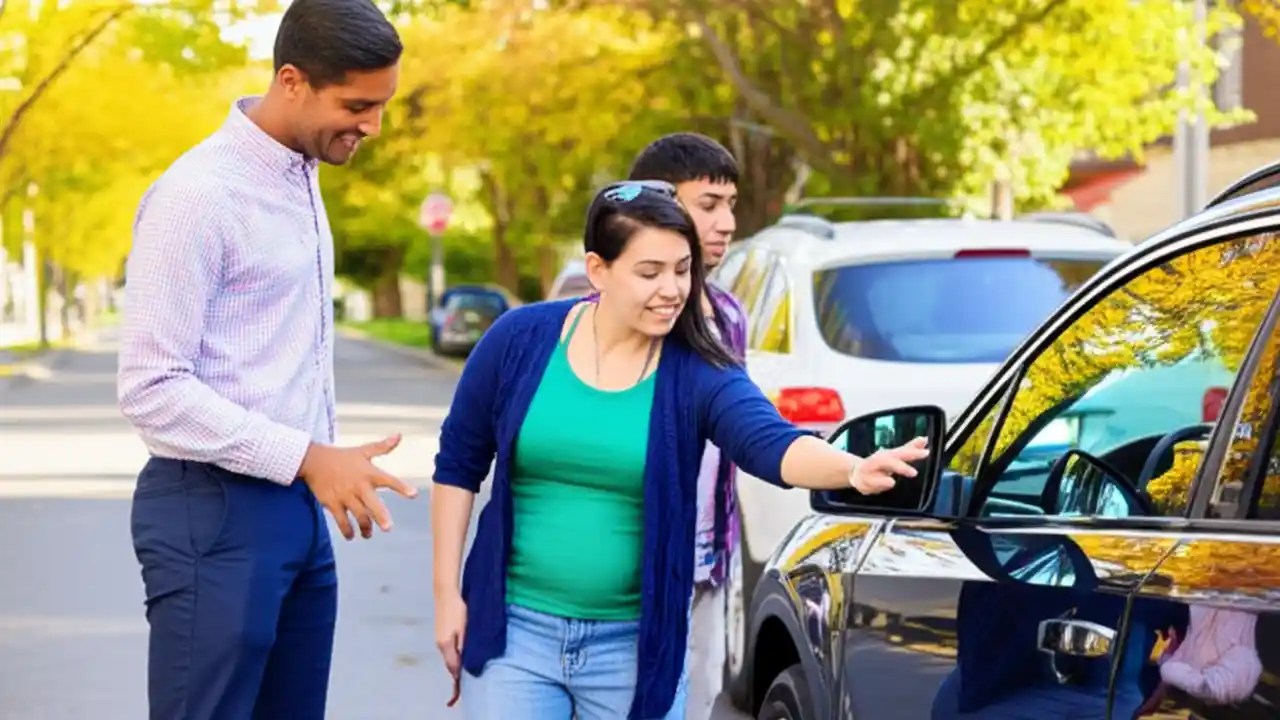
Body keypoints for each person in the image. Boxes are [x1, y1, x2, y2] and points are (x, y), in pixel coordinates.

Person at [430, 180, 928, 720]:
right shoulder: (519, 339)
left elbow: (770, 442)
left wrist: (851, 468)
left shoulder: (696, 370)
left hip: (633, 648)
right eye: (650, 272)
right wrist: (445, 596)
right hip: (514, 635)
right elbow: (459, 465)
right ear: (598, 270)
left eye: (683, 269)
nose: (672, 289)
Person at [116, 2, 416, 718]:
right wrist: (310, 456)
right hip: (211, 511)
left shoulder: (298, 176)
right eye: (357, 105)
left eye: (382, 105)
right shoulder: (199, 196)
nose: (372, 125)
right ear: (291, 81)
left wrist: (311, 465)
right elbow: (151, 386)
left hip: (292, 512)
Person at [627, 133, 745, 719]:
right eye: (708, 205)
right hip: (632, 562)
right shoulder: (624, 314)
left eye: (730, 205)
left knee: (698, 702)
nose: (725, 222)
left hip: (710, 562)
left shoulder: (728, 316)